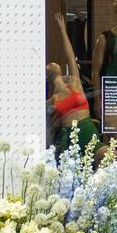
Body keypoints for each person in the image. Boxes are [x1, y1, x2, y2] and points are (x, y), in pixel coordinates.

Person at [49, 13, 102, 157]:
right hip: (68, 136)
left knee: (109, 156)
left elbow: (71, 56)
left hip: (86, 127)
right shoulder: (52, 99)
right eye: (49, 67)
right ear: (47, 77)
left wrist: (62, 30)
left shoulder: (74, 82)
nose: (52, 66)